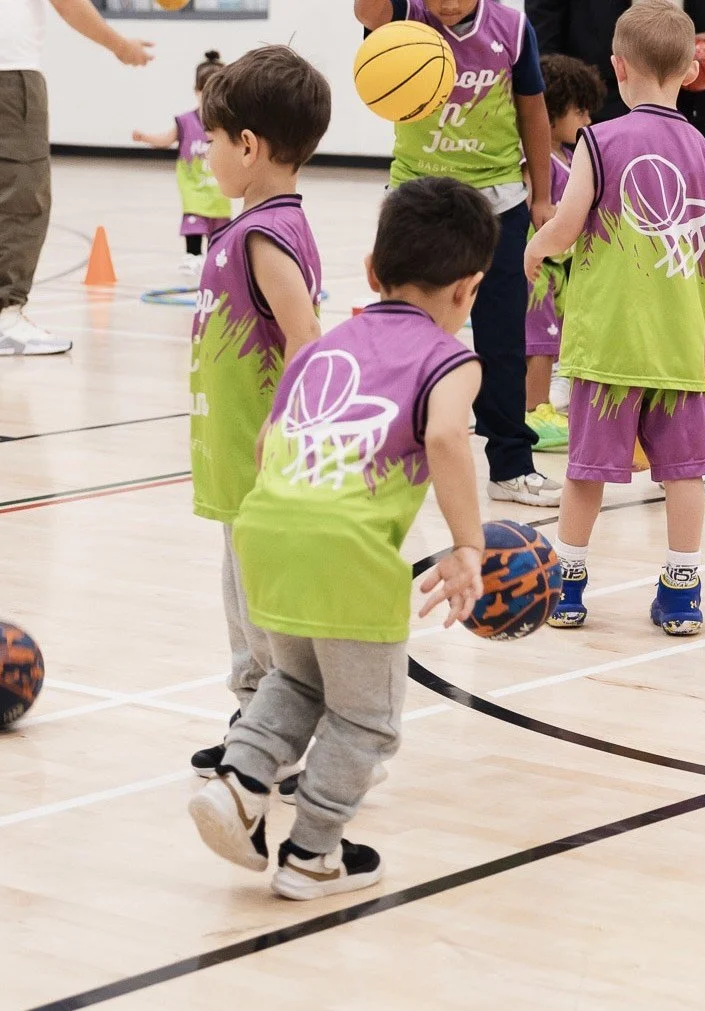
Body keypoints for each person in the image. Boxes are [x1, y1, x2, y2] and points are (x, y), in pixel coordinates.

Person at [189, 176, 492, 901]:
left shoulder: (324, 346)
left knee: (295, 681)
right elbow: (447, 434)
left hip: (265, 532)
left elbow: (268, 440)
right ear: (468, 289)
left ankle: (238, 784)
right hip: (346, 552)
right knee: (366, 718)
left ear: (370, 271)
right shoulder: (450, 359)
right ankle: (312, 854)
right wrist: (467, 546)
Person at [525, 0, 705, 637]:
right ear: (689, 72)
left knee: (587, 472)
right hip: (676, 349)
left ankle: (567, 585)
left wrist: (537, 247)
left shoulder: (600, 139)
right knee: (684, 473)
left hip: (608, 345)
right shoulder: (704, 150)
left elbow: (566, 222)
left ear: (617, 67)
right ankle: (682, 591)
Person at [185, 46, 331, 778]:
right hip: (231, 460)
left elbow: (307, 337)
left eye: (212, 140)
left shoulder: (266, 233)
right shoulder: (247, 228)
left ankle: (282, 743)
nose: (205, 152)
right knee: (243, 620)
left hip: (260, 463)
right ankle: (252, 726)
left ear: (247, 146)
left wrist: (284, 431)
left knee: (270, 625)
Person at [355, 0, 562, 508]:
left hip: (499, 201)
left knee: (503, 341)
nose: (445, 3)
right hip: (418, 196)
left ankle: (511, 465)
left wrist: (541, 194)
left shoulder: (512, 28)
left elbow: (532, 109)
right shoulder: (402, 16)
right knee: (402, 333)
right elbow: (366, 9)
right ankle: (387, 458)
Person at [0, 0, 152, 357]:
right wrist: (122, 46)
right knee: (17, 191)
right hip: (4, 72)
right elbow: (68, 3)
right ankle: (6, 316)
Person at [528, 0, 705, 141]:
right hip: (599, 80)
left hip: (695, 75)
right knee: (600, 201)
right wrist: (554, 74)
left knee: (692, 199)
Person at [525, 54, 605, 453]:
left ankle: (541, 407)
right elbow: (535, 211)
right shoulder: (536, 164)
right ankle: (534, 413)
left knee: (552, 342)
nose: (587, 121)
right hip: (538, 273)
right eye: (579, 111)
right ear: (551, 111)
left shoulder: (572, 157)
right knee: (539, 343)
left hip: (561, 274)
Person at [132, 50, 232, 275]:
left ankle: (217, 262)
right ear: (197, 92)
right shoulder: (186, 122)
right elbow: (166, 139)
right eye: (205, 92)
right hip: (194, 188)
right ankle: (193, 256)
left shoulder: (229, 124)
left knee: (220, 231)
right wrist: (146, 137)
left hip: (219, 191)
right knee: (194, 222)